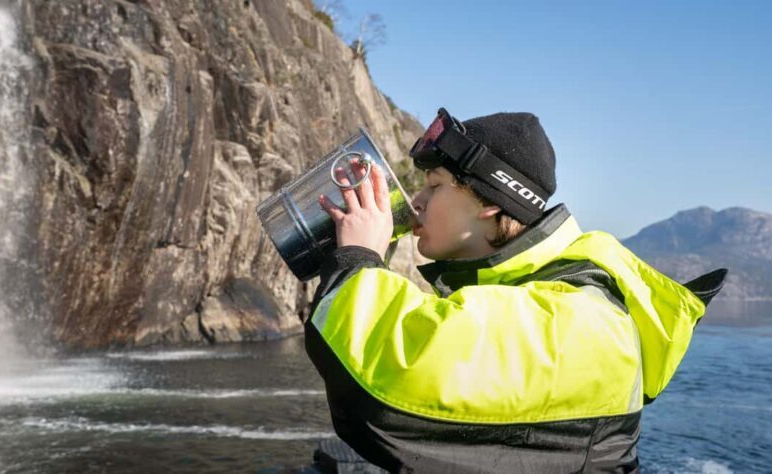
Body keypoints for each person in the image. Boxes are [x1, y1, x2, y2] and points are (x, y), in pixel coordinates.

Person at [305, 108, 727, 473]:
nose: (417, 201)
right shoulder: (524, 293)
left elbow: (391, 373)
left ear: (489, 200)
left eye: (435, 185)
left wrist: (359, 255)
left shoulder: (585, 317)